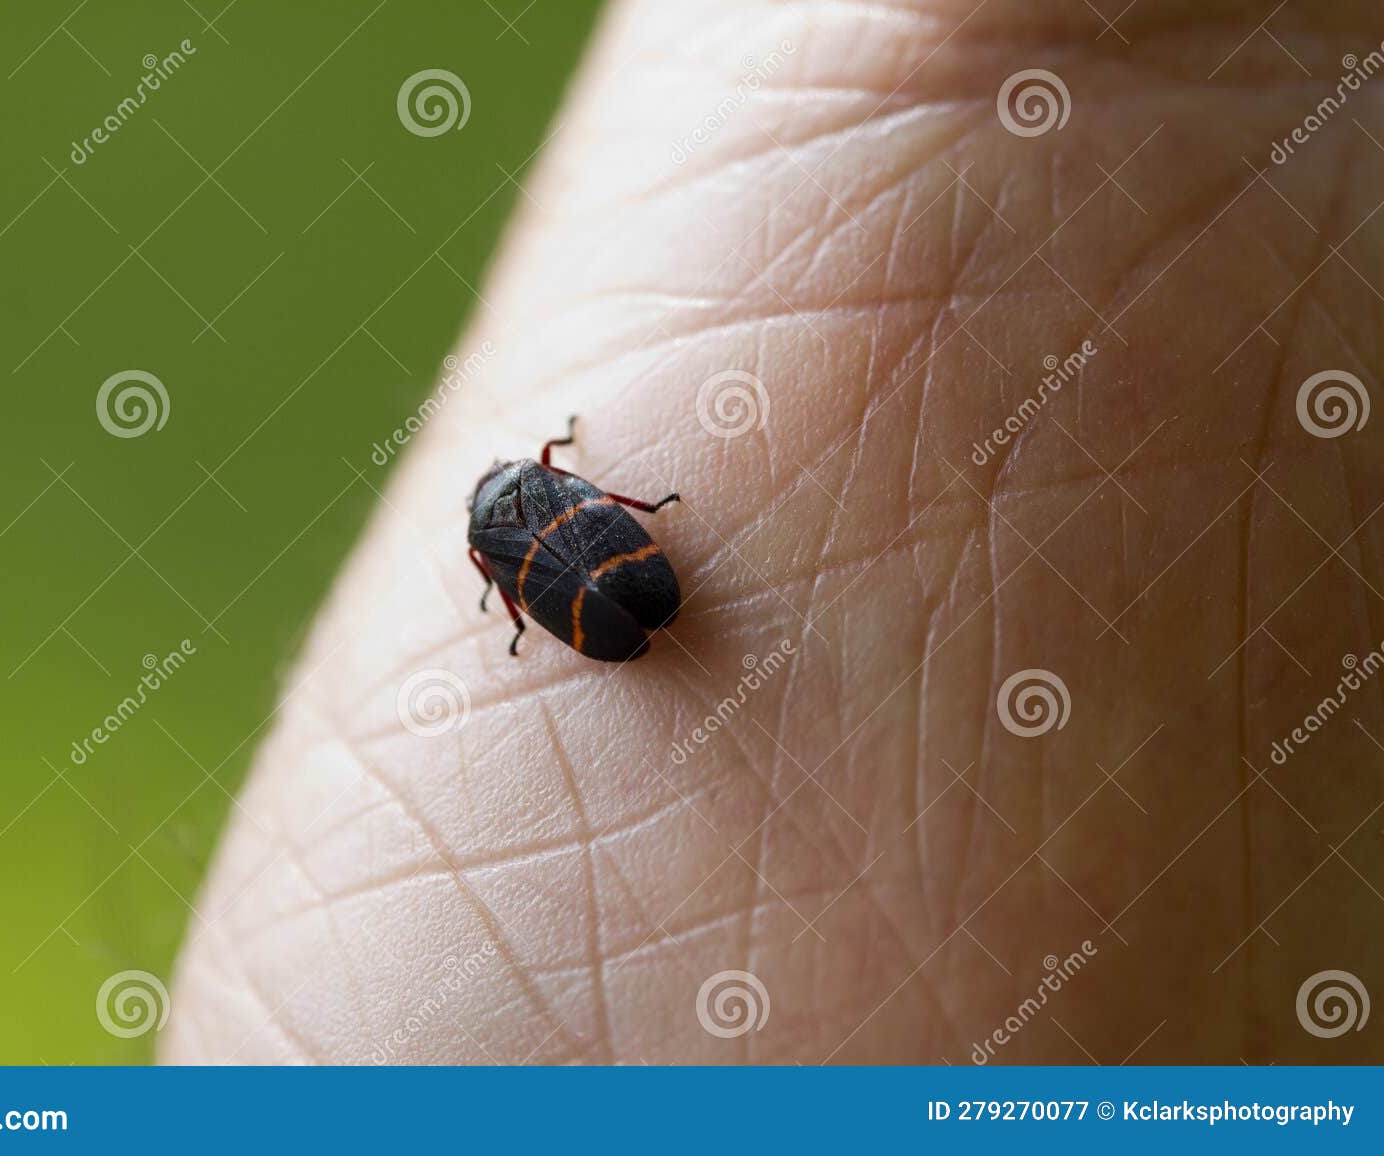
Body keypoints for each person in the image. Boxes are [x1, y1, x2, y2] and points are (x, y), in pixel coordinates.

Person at [163, 0, 1384, 1063]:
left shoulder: (504, 540)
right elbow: (565, 512)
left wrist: (545, 599)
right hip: (622, 596)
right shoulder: (536, 498)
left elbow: (523, 565)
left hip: (616, 607)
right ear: (530, 489)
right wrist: (607, 541)